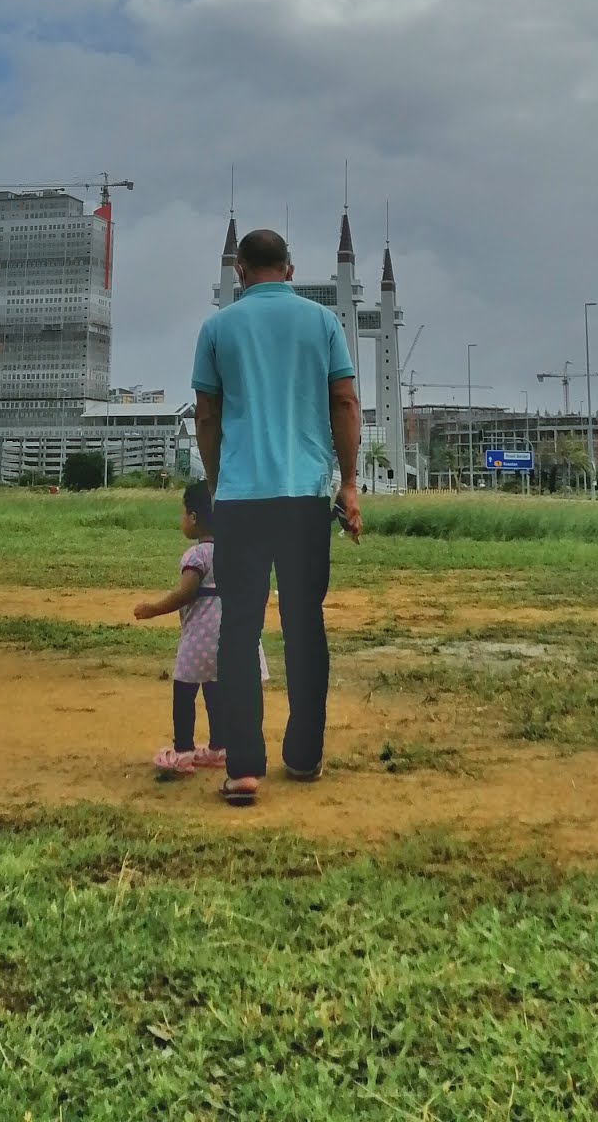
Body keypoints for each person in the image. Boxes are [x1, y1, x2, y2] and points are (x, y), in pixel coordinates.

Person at [191, 226, 362, 805]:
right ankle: (305, 756)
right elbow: (343, 401)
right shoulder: (323, 323)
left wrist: (218, 482)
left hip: (241, 497)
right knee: (303, 623)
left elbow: (207, 415)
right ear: (290, 270)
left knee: (239, 628)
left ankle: (242, 767)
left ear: (239, 273)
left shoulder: (216, 328)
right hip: (304, 498)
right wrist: (351, 482)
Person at [132, 480, 268, 776]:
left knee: (184, 692)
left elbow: (186, 592)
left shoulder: (196, 556)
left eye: (183, 513)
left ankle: (182, 751)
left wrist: (153, 609)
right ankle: (219, 746)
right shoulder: (235, 552)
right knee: (215, 689)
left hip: (199, 639)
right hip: (231, 634)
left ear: (193, 517)